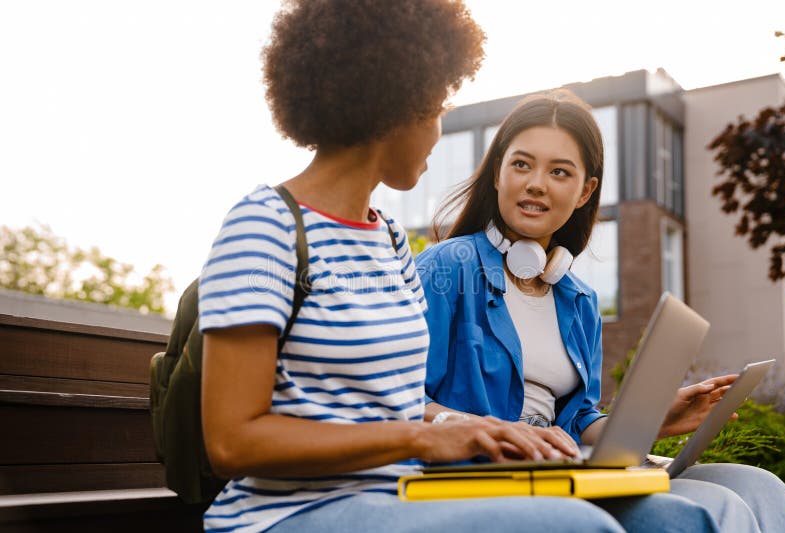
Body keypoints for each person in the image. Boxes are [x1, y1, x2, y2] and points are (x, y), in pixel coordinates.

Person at [196, 2, 729, 532]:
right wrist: (430, 434)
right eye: (435, 108)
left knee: (679, 523)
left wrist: (468, 431)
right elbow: (231, 441)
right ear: (391, 105)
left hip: (402, 496)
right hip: (289, 514)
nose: (439, 130)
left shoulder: (388, 242)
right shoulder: (265, 225)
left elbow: (406, 407)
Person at [417, 89, 785, 532]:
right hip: (481, 475)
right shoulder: (447, 269)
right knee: (710, 508)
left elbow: (577, 422)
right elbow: (398, 399)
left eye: (560, 171)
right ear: (498, 175)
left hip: (559, 471)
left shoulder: (577, 300)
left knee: (757, 485)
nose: (536, 183)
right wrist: (492, 429)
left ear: (585, 192)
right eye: (521, 164)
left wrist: (655, 419)